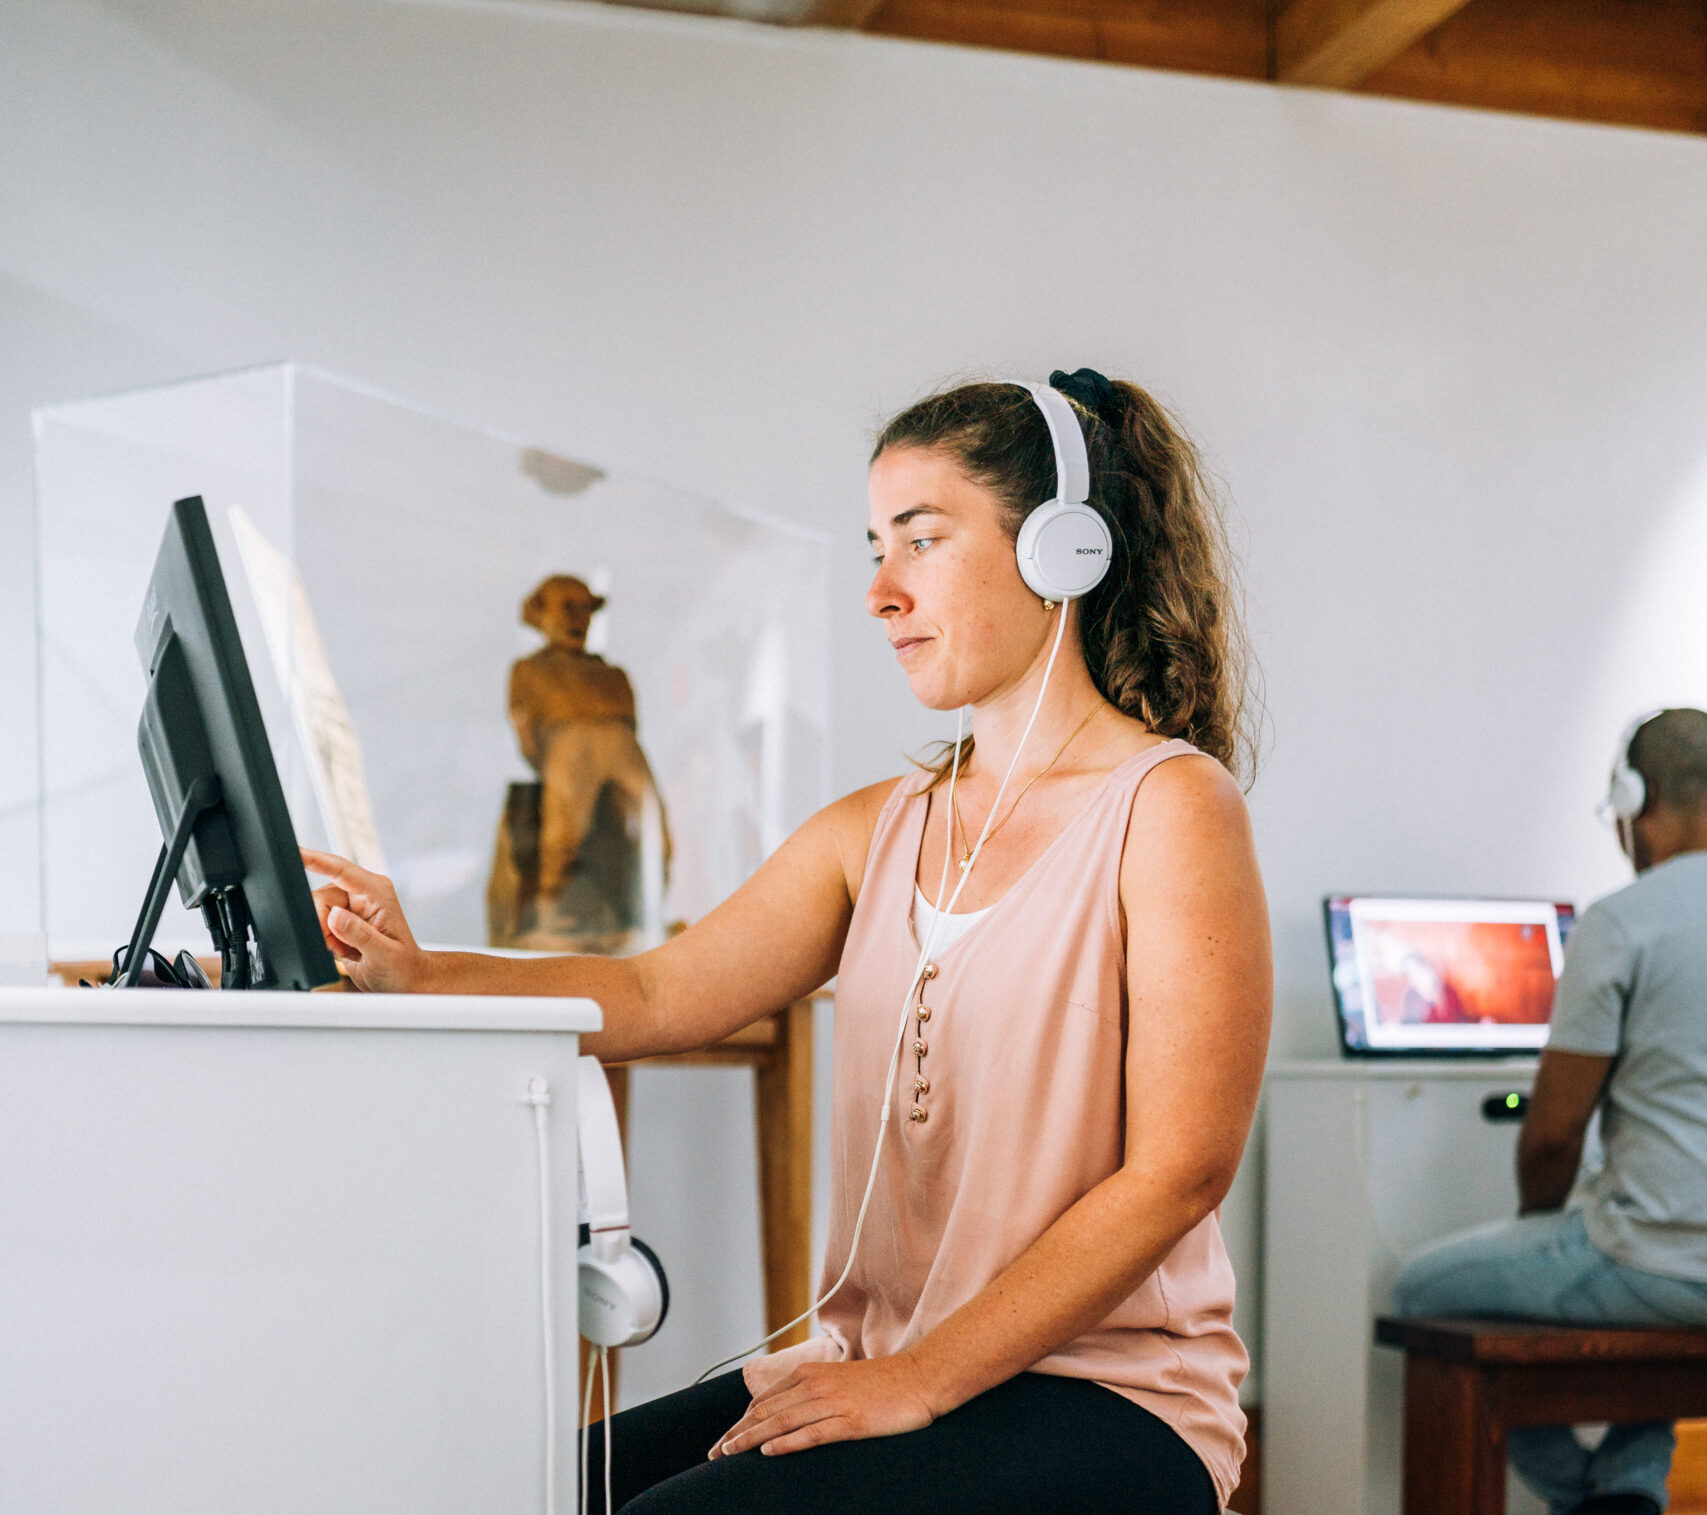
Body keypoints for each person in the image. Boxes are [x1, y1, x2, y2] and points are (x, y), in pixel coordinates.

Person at [301, 369, 1272, 1514]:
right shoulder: (879, 828)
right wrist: (418, 976)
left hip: (1111, 1395)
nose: (880, 592)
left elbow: (1179, 1172)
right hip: (882, 1369)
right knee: (528, 1490)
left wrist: (918, 1379)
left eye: (922, 541)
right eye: (875, 547)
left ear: (1061, 551)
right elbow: (660, 992)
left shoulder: (1172, 808)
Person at [1392, 709, 1707, 1515]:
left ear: (1637, 800)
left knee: (1420, 1288)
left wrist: (1537, 1226)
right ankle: (1632, 1482)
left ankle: (1600, 1499)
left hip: (1655, 1263)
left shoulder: (1622, 921)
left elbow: (1554, 1134)